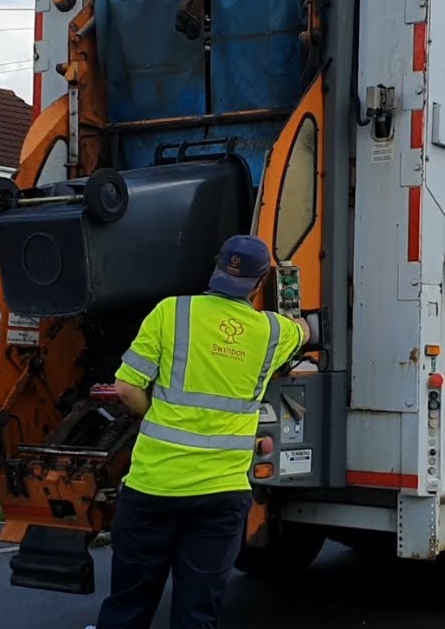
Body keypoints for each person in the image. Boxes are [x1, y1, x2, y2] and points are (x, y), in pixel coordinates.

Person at [89, 234, 312, 629]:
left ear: (216, 269)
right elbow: (305, 332)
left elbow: (125, 387)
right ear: (260, 285)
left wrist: (152, 415)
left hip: (153, 488)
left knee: (128, 606)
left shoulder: (171, 312)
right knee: (197, 612)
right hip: (220, 497)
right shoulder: (272, 333)